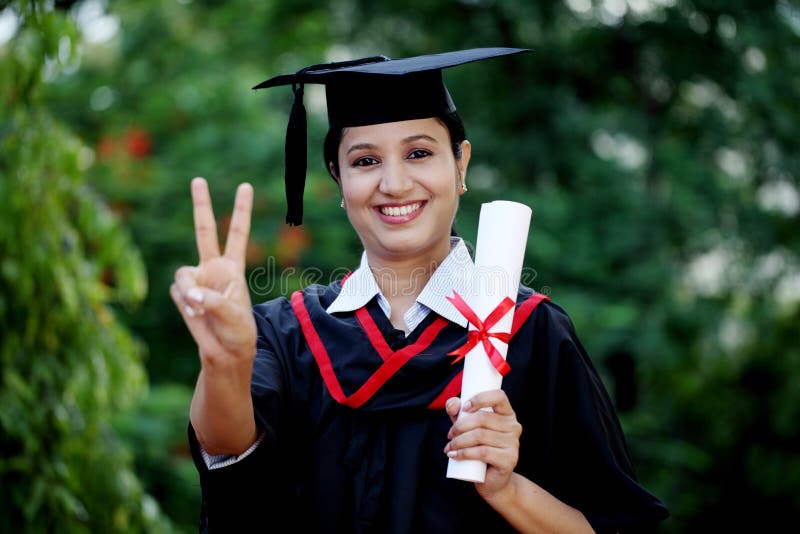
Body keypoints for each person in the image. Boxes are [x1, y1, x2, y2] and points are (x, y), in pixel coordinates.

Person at [170, 48, 669, 533]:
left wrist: (508, 490)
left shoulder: (533, 332)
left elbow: (610, 526)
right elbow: (229, 452)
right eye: (365, 161)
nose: (395, 182)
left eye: (419, 153)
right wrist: (224, 364)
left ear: (461, 165)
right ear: (338, 180)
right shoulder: (285, 333)